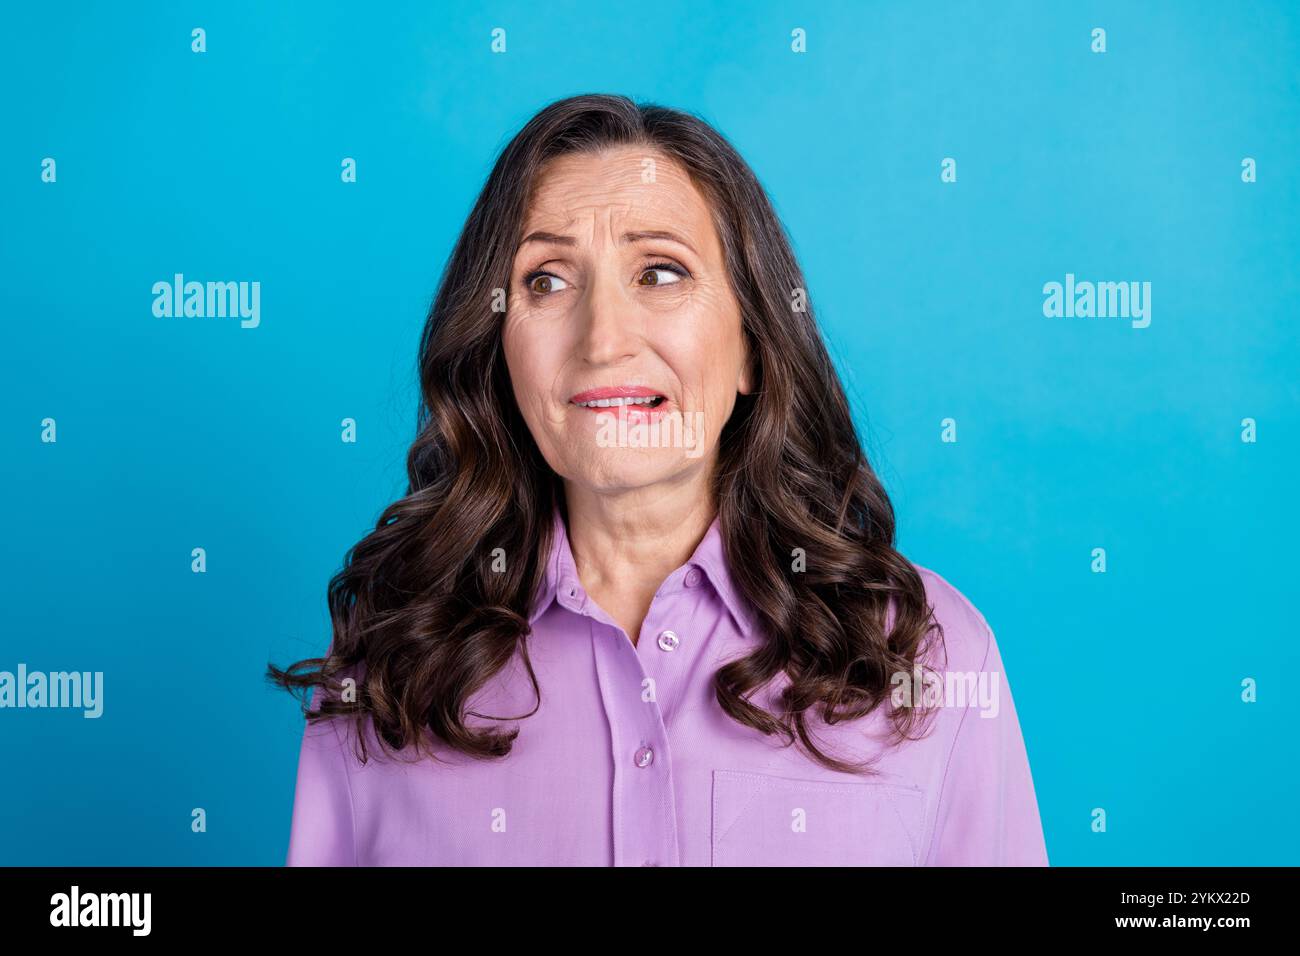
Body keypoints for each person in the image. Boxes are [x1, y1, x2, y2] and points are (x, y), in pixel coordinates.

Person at [269, 93, 1049, 867]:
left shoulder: (929, 655)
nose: (604, 340)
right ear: (498, 352)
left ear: (752, 346)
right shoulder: (394, 665)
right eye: (545, 281)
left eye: (661, 272)